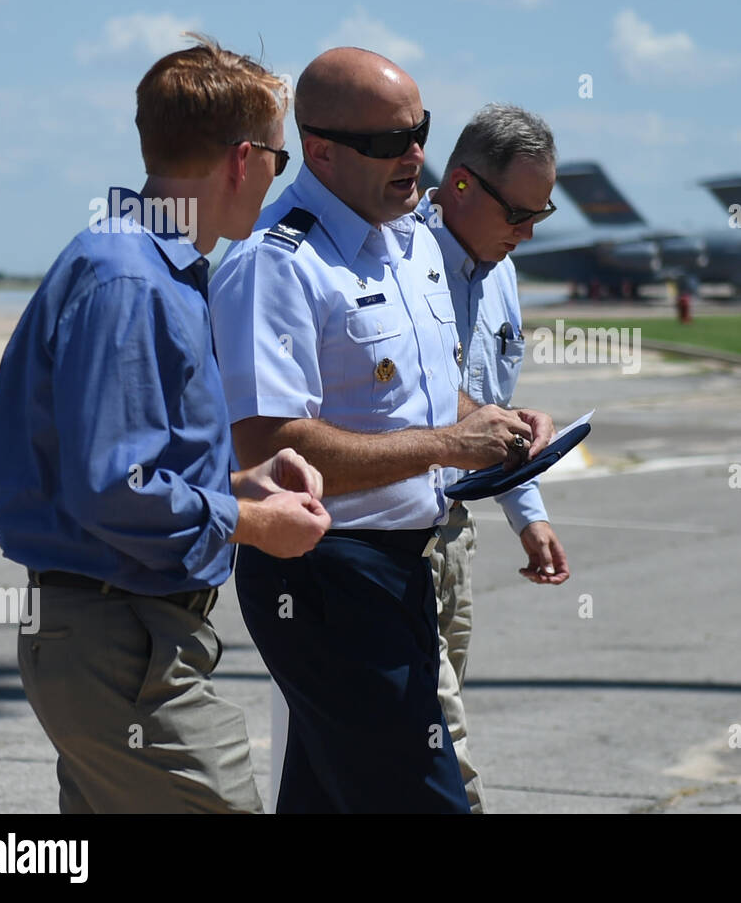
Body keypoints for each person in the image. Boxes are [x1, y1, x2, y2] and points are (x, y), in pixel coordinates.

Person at [0, 34, 331, 814]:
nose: (280, 180)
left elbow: (119, 468)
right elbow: (116, 488)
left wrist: (240, 481)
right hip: (120, 642)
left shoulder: (143, 266)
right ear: (244, 161)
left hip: (121, 640)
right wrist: (252, 521)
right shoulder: (132, 281)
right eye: (282, 159)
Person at [208, 47, 556, 813]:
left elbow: (424, 400)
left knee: (329, 800)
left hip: (406, 567)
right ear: (321, 149)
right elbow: (271, 448)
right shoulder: (278, 264)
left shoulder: (412, 244)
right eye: (386, 142)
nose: (414, 156)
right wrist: (445, 446)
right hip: (329, 574)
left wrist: (492, 422)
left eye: (418, 131)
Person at [425, 103, 571, 812]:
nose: (528, 233)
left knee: (385, 755)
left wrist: (527, 512)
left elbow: (492, 410)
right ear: (459, 186)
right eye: (518, 213)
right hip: (387, 536)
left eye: (541, 214)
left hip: (454, 533)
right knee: (440, 750)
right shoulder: (397, 261)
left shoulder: (503, 271)